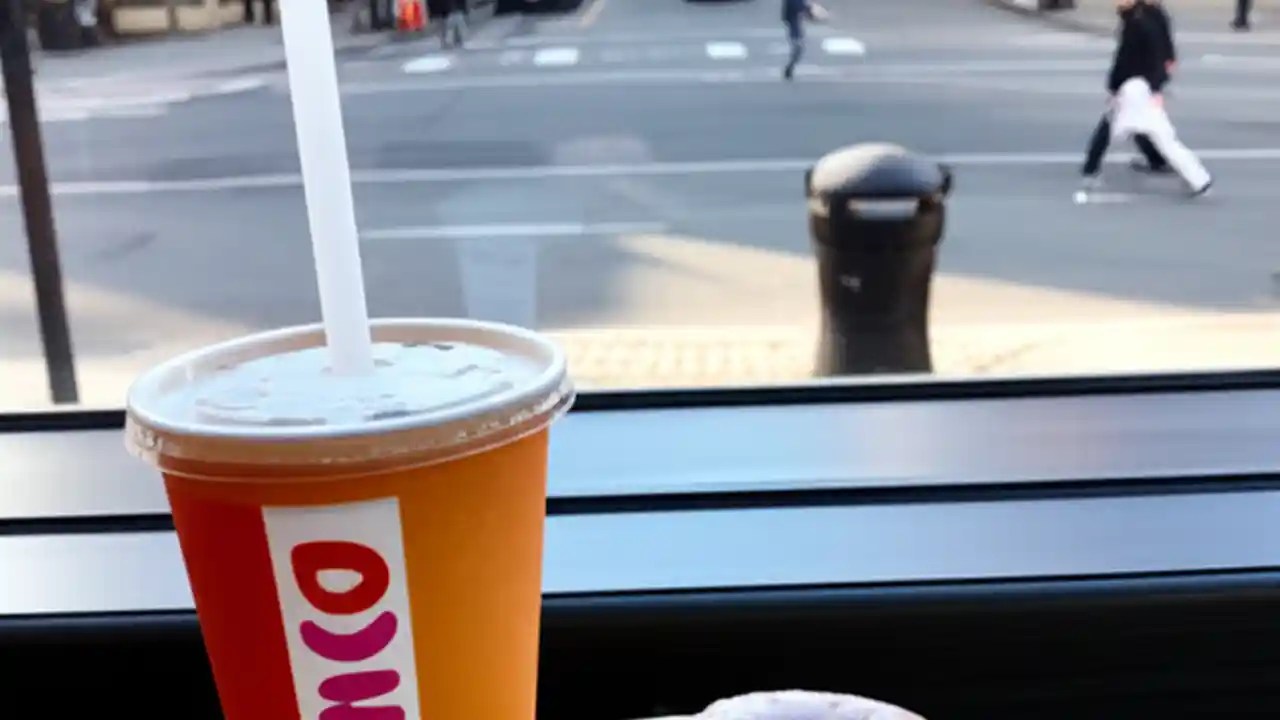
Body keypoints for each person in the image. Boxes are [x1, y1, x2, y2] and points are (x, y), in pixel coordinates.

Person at [1080, 0, 1211, 197]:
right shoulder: (1147, 16)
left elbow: (1125, 60)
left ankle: (1090, 169)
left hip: (1135, 87)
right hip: (1143, 87)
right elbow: (1161, 50)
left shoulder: (1137, 22)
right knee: (1160, 135)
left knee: (1116, 127)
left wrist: (1115, 87)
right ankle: (1197, 178)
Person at [782, 0, 818, 80]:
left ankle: (789, 68)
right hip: (794, 26)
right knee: (798, 47)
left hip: (795, 25)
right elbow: (799, 7)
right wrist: (809, 11)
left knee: (798, 48)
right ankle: (789, 69)